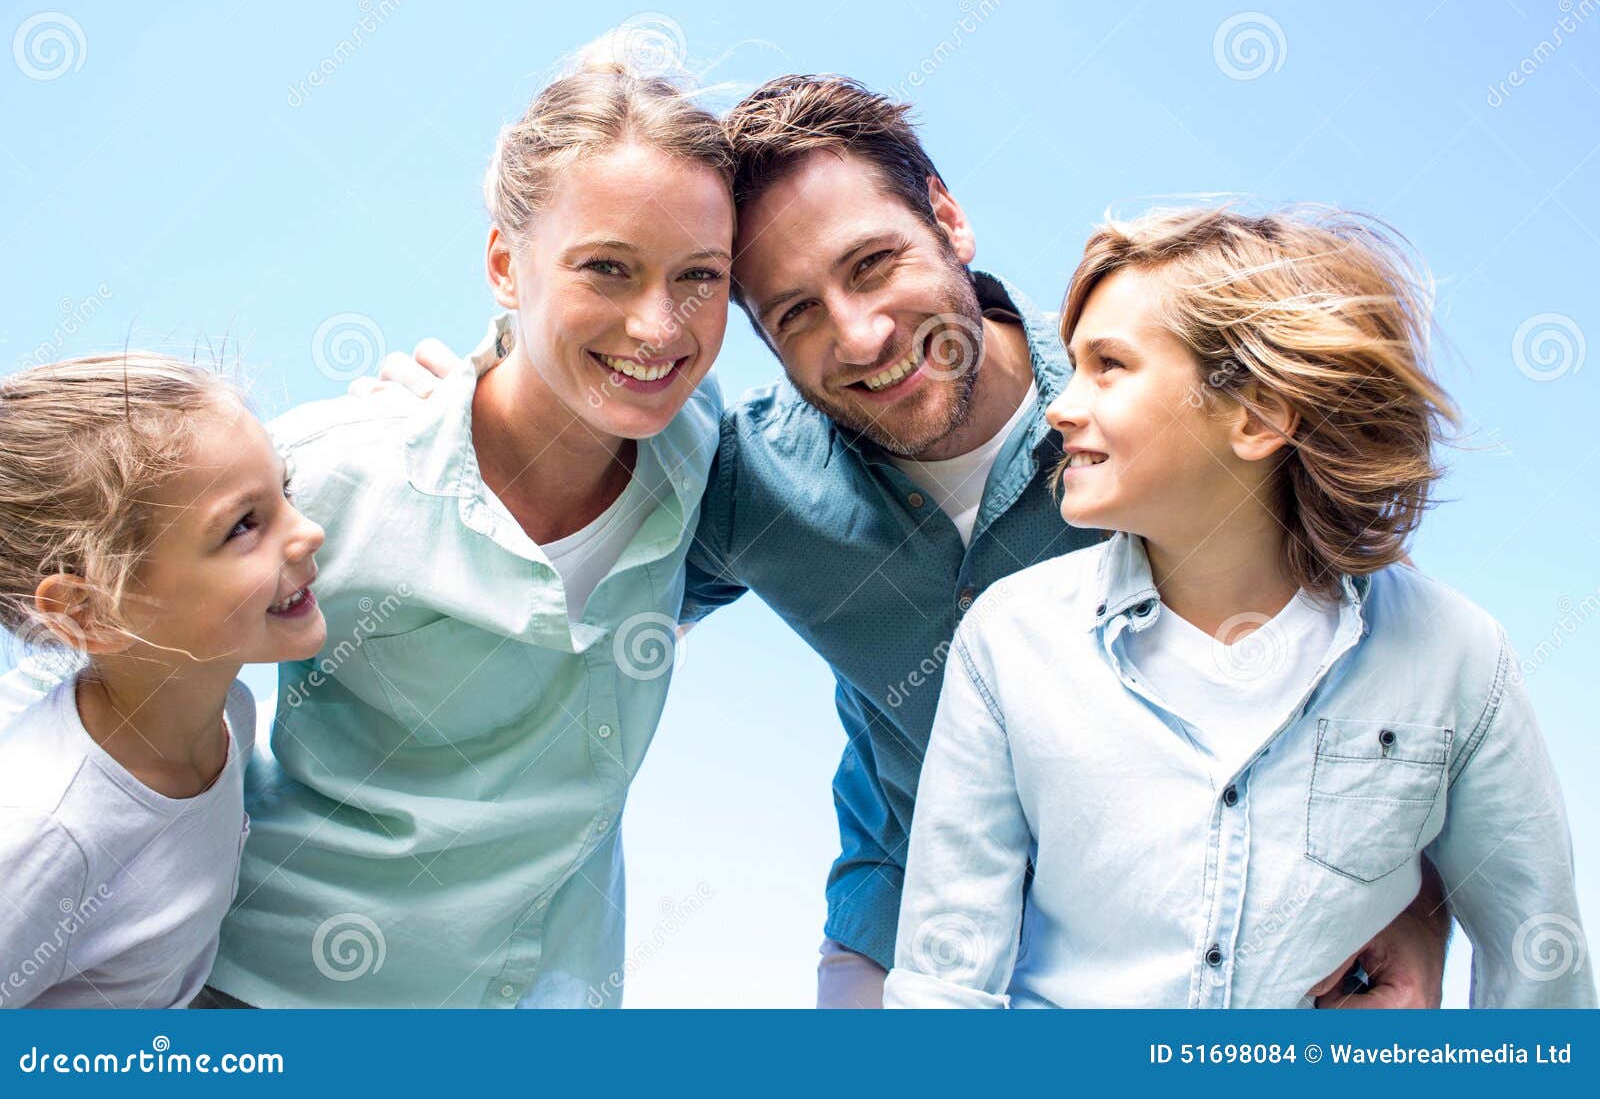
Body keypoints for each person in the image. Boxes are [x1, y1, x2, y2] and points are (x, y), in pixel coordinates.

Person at [371, 75, 1451, 1008]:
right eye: (791, 312)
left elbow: (1371, 668)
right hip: (898, 952)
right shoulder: (743, 484)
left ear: (947, 216)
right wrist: (467, 413)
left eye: (874, 264)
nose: (860, 336)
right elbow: (576, 532)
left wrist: (1419, 896)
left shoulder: (1153, 422)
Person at [883, 206, 1595, 1008]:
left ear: (1257, 416)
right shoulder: (1009, 640)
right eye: (1074, 365)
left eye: (1111, 365)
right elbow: (943, 987)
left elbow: (1541, 974)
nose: (1062, 405)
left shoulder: (1456, 656)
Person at [190, 50, 733, 1007]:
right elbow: (126, 675)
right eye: (607, 267)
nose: (659, 325)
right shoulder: (328, 474)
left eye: (700, 276)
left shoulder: (699, 453)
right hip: (275, 1002)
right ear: (502, 264)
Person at [0, 354, 325, 1007]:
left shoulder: (225, 706)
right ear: (89, 612)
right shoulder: (45, 835)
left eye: (284, 492)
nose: (308, 531)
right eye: (243, 525)